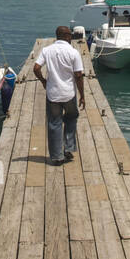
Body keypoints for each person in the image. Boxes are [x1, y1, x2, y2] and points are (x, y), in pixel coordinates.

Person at [33, 26, 86, 166]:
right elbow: (79, 75)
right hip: (69, 94)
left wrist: (43, 81)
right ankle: (68, 148)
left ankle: (57, 157)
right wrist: (82, 95)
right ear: (67, 36)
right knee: (71, 119)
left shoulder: (47, 50)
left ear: (57, 36)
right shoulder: (73, 52)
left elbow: (36, 68)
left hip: (53, 95)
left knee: (54, 123)